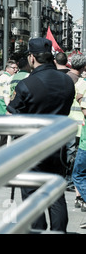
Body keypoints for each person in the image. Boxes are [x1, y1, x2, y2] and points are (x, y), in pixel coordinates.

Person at [7, 37, 75, 233]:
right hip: (57, 144)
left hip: (31, 145)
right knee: (56, 194)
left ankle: (37, 230)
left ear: (32, 57)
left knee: (31, 193)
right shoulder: (67, 81)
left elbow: (12, 116)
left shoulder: (27, 84)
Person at [65, 54, 86, 208]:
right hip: (79, 128)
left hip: (73, 126)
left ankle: (79, 196)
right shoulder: (80, 82)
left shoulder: (76, 83)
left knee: (76, 168)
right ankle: (79, 197)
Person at [0, 59, 18, 146]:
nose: (16, 70)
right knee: (7, 136)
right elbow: (7, 95)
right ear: (7, 69)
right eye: (14, 68)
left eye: (16, 68)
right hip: (5, 108)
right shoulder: (9, 79)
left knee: (3, 135)